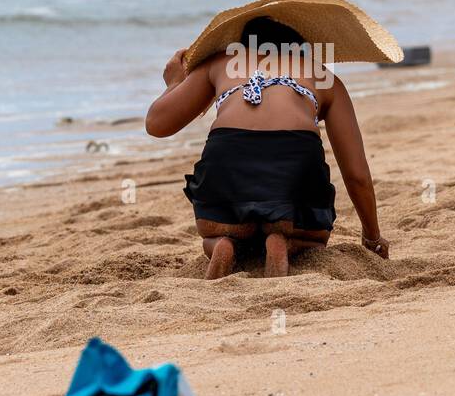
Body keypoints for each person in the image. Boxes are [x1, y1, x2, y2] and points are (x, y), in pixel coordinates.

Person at [145, 15, 389, 278]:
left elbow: (157, 125)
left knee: (216, 231)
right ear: (300, 48)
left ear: (242, 45)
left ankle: (222, 242)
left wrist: (174, 83)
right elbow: (356, 175)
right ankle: (289, 242)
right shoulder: (322, 76)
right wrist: (371, 237)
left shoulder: (220, 64)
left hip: (227, 173)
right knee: (316, 236)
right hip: (291, 178)